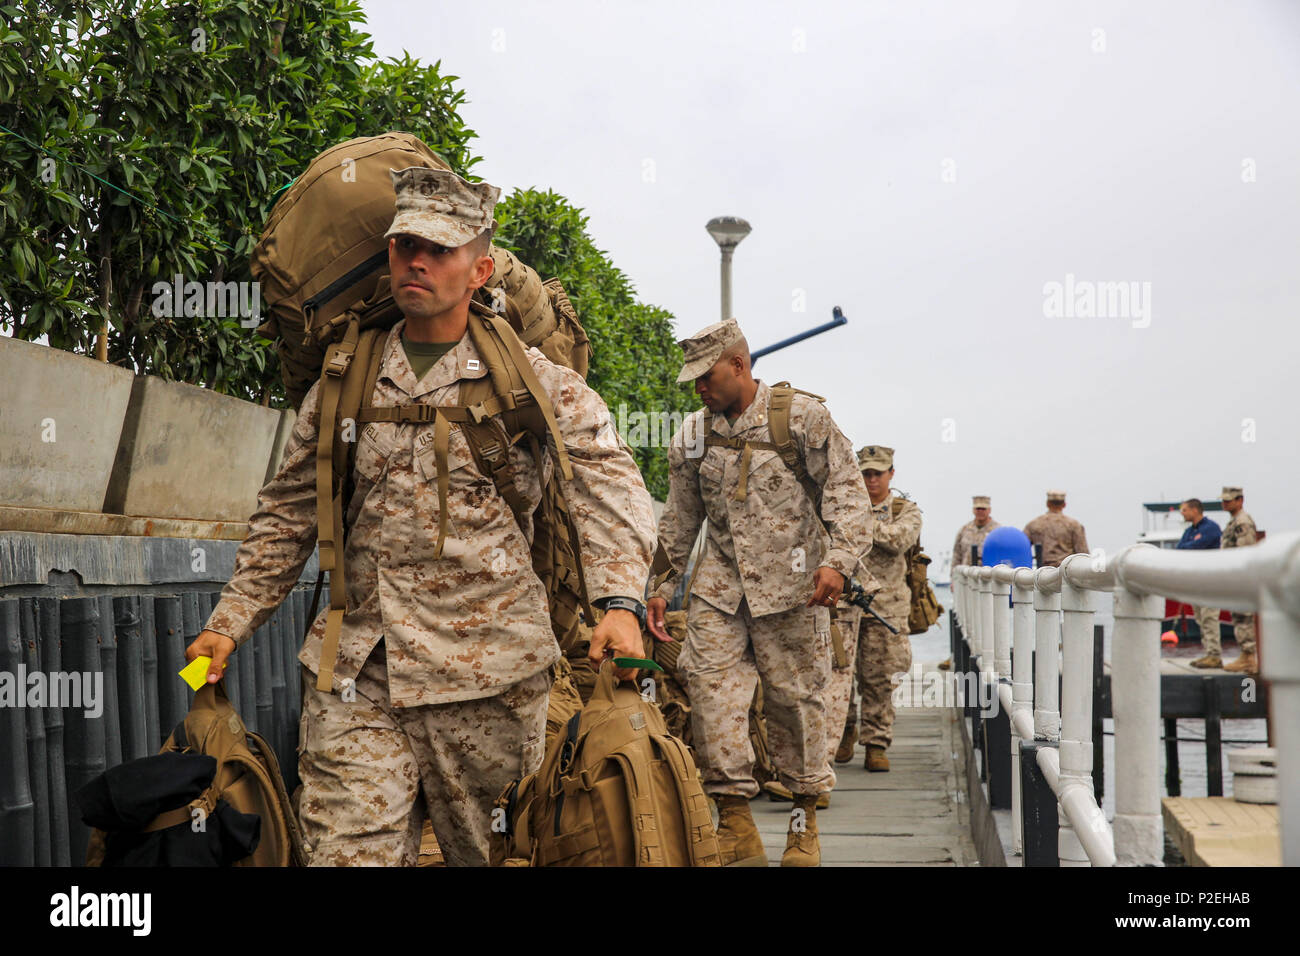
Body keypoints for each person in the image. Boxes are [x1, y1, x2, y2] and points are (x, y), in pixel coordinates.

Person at [185, 166, 657, 866]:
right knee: (346, 856)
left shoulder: (528, 382)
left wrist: (619, 602)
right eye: (406, 244)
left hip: (490, 679)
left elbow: (608, 478)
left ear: (480, 269)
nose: (418, 260)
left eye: (439, 249)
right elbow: (288, 511)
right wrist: (229, 623)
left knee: (492, 856)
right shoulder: (343, 380)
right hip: (357, 672)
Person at [646, 318, 872, 867]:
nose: (699, 387)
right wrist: (658, 586)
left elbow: (847, 495)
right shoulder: (692, 438)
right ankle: (737, 825)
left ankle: (802, 825)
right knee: (711, 698)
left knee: (797, 705)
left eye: (707, 375)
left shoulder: (802, 418)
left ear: (740, 365)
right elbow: (679, 520)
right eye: (693, 379)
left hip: (796, 591)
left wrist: (838, 563)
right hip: (720, 594)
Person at [846, 445, 921, 772]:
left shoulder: (905, 509)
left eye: (878, 472)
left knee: (878, 681)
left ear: (891, 473)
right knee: (836, 679)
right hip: (843, 606)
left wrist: (860, 526)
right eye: (866, 473)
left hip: (886, 609)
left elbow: (897, 540)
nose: (872, 479)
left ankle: (875, 744)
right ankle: (844, 730)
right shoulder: (843, 505)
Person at [1176, 497, 1223, 669]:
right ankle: (1208, 653)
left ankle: (1215, 655)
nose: (1183, 513)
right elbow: (1181, 548)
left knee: (1209, 616)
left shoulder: (1211, 528)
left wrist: (1190, 546)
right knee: (1200, 617)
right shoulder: (1189, 531)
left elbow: (1196, 546)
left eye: (1185, 510)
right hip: (1196, 580)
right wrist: (1190, 546)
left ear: (1195, 510)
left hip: (1210, 578)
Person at [1220, 486, 1259, 674]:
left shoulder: (1242, 522)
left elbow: (1245, 551)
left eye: (1229, 500)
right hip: (1234, 576)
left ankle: (1249, 657)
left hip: (1242, 576)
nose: (1224, 503)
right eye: (1224, 500)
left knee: (1244, 616)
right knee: (1238, 615)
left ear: (1240, 500)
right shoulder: (1233, 522)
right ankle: (1246, 654)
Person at [1023, 490, 1089, 568]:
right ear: (1064, 505)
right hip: (1066, 572)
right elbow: (1083, 555)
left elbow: (1022, 547)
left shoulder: (1034, 524)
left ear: (1047, 504)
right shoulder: (1074, 525)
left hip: (1042, 573)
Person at [950, 496, 999, 577]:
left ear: (989, 510)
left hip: (988, 578)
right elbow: (957, 555)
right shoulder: (964, 530)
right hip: (966, 578)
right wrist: (953, 577)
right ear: (973, 510)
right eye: (978, 508)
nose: (980, 511)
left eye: (983, 509)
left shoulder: (997, 531)